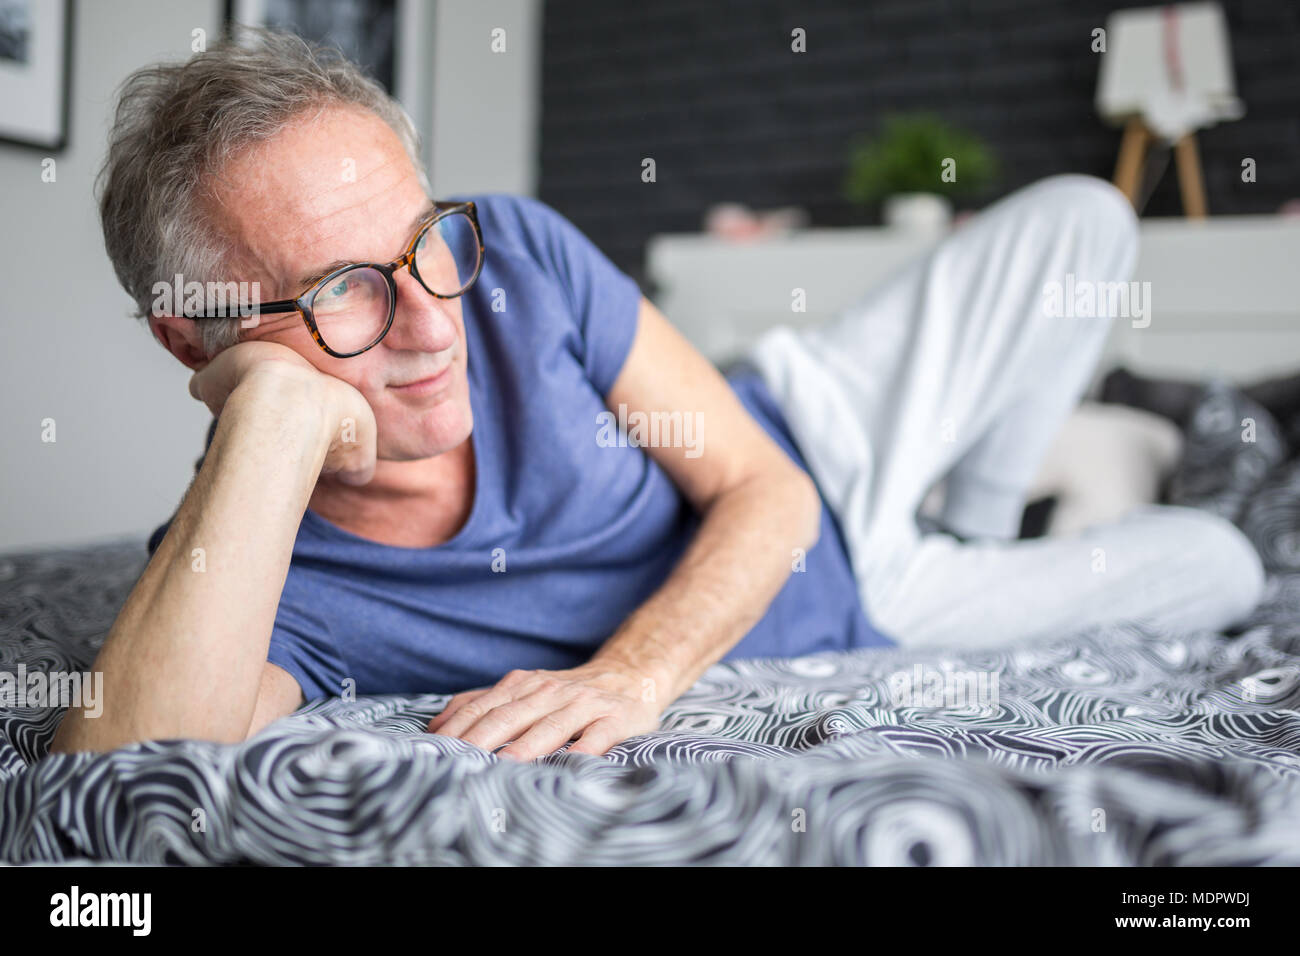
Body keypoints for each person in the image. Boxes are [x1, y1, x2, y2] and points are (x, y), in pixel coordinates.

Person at [51, 30, 1263, 760]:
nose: (434, 322)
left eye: (426, 241)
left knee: (1086, 218)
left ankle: (984, 513)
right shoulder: (268, 585)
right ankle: (969, 544)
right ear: (193, 341)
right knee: (1224, 564)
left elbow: (757, 482)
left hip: (810, 430)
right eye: (342, 295)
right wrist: (270, 414)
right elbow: (122, 765)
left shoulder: (510, 252)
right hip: (876, 601)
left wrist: (631, 673)